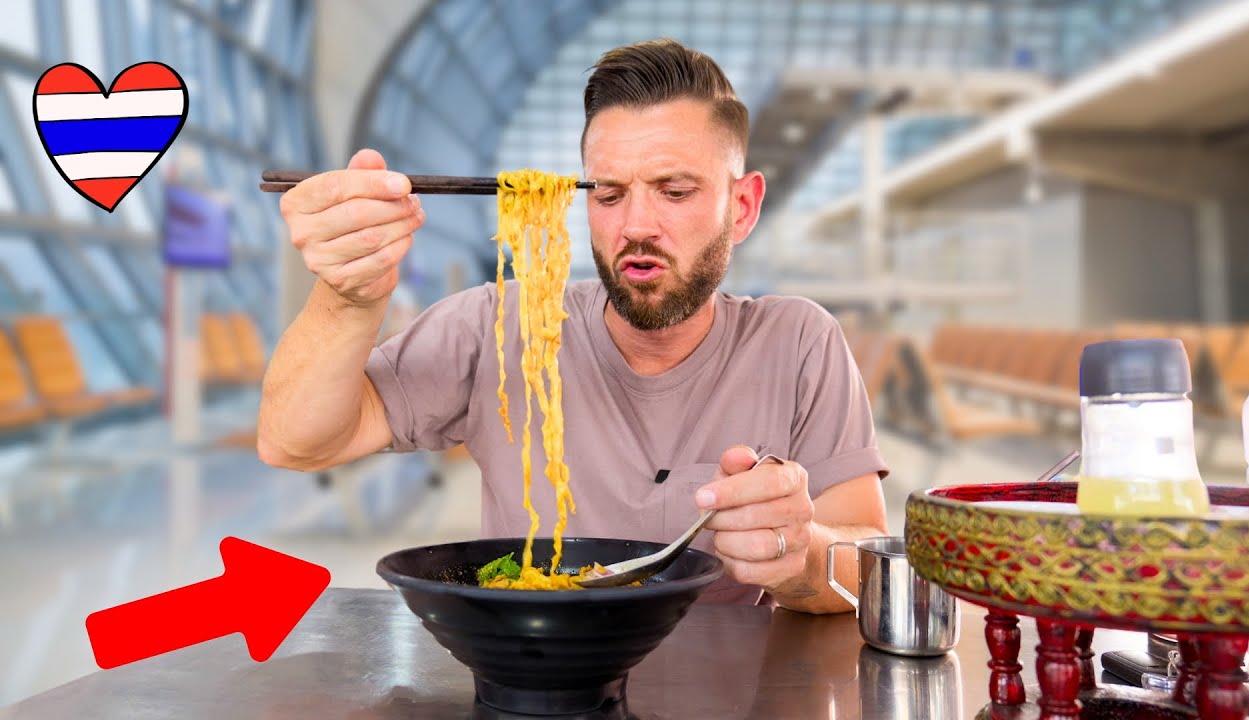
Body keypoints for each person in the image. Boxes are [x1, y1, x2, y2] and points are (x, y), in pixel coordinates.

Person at [258, 38, 889, 613]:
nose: (636, 226)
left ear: (743, 206)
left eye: (674, 191)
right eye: (608, 194)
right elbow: (295, 441)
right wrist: (348, 296)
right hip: (531, 679)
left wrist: (801, 554)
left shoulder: (798, 341)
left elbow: (867, 559)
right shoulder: (500, 325)